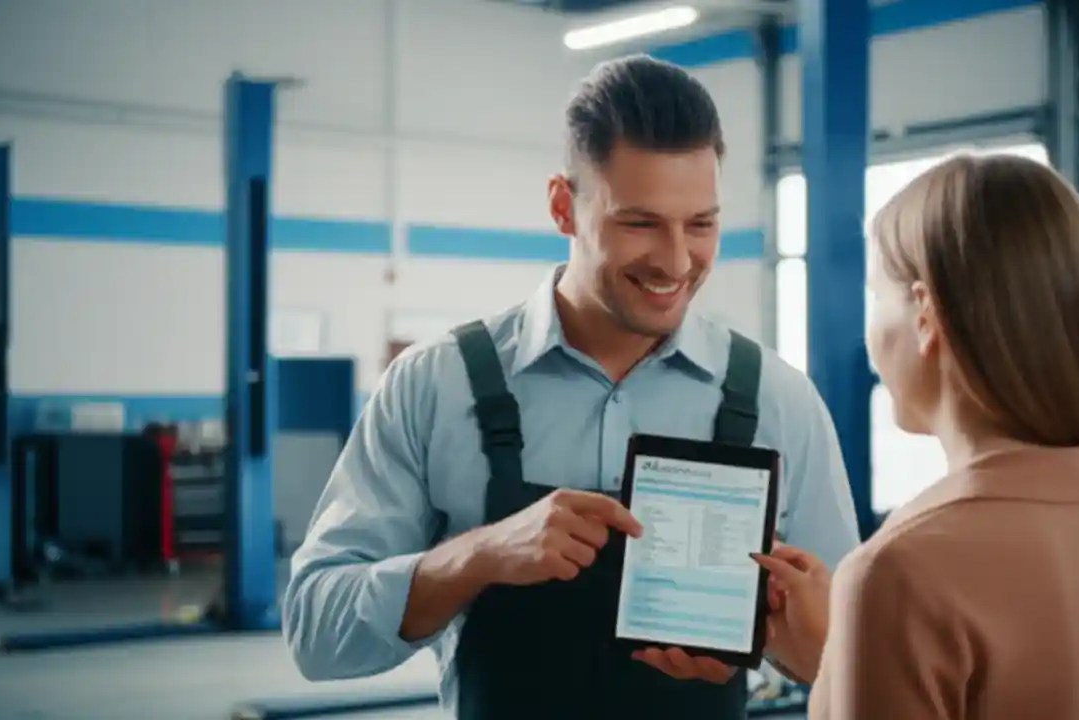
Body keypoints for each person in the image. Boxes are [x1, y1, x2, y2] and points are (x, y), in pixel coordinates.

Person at [282, 54, 861, 719]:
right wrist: (479, 555)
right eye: (639, 223)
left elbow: (856, 658)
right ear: (563, 206)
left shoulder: (779, 403)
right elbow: (315, 632)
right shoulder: (434, 385)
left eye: (701, 224)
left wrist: (781, 643)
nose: (676, 261)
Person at [754, 154, 1079, 719]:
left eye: (876, 296)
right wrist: (842, 663)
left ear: (923, 314)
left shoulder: (899, 569)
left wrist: (844, 660)